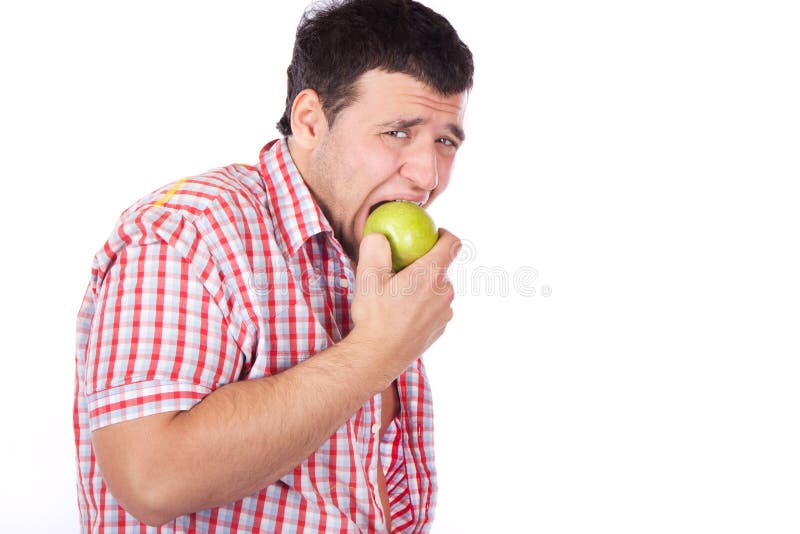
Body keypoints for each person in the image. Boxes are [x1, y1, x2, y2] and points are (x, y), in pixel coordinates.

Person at [73, 0, 473, 532]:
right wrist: (377, 353)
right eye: (397, 132)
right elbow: (149, 479)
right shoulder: (187, 233)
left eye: (444, 141)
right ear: (310, 121)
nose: (428, 175)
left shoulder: (366, 255)